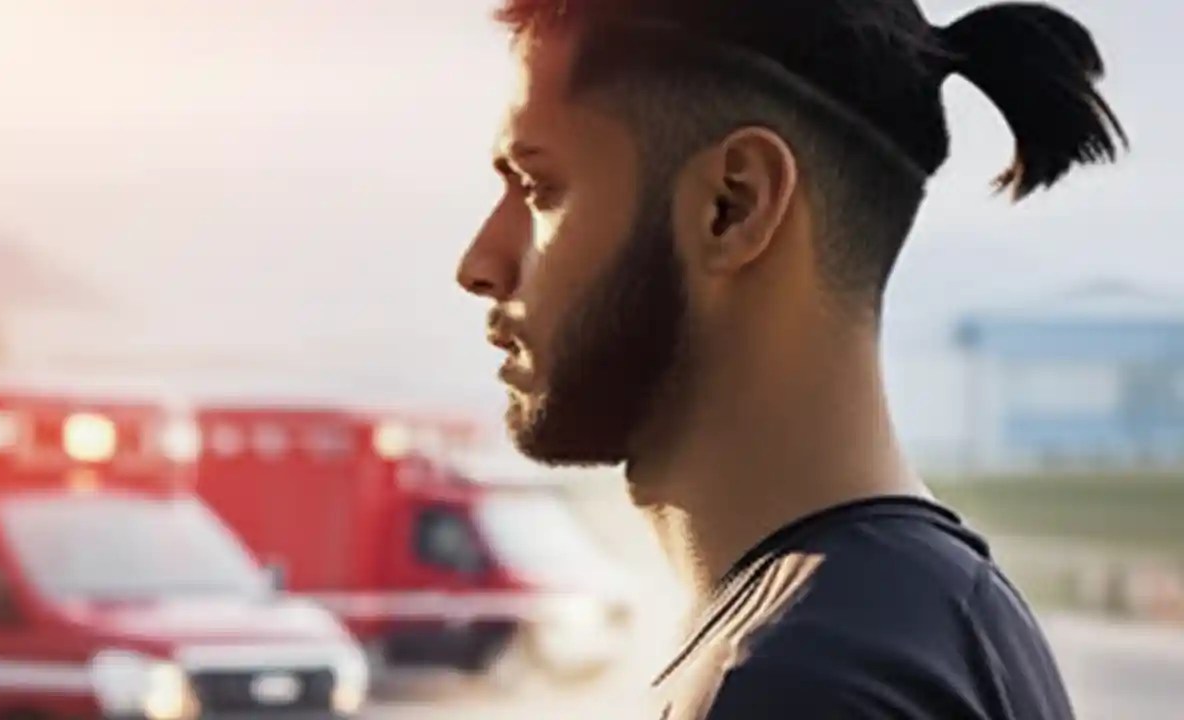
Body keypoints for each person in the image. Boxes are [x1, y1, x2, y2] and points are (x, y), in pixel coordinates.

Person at [455, 0, 1125, 717]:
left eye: (538, 189)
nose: (479, 263)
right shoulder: (941, 609)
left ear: (732, 203)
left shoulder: (797, 681)